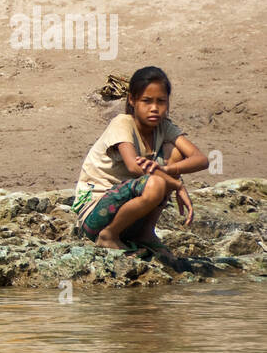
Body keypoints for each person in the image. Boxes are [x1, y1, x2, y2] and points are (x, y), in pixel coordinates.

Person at [73, 65, 207, 257]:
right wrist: (176, 184)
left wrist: (169, 169)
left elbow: (201, 159)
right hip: (96, 216)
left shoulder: (164, 127)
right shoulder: (122, 123)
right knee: (156, 182)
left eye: (161, 101)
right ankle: (108, 237)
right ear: (132, 100)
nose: (154, 108)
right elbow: (134, 166)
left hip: (131, 217)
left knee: (174, 152)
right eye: (146, 101)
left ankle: (146, 233)